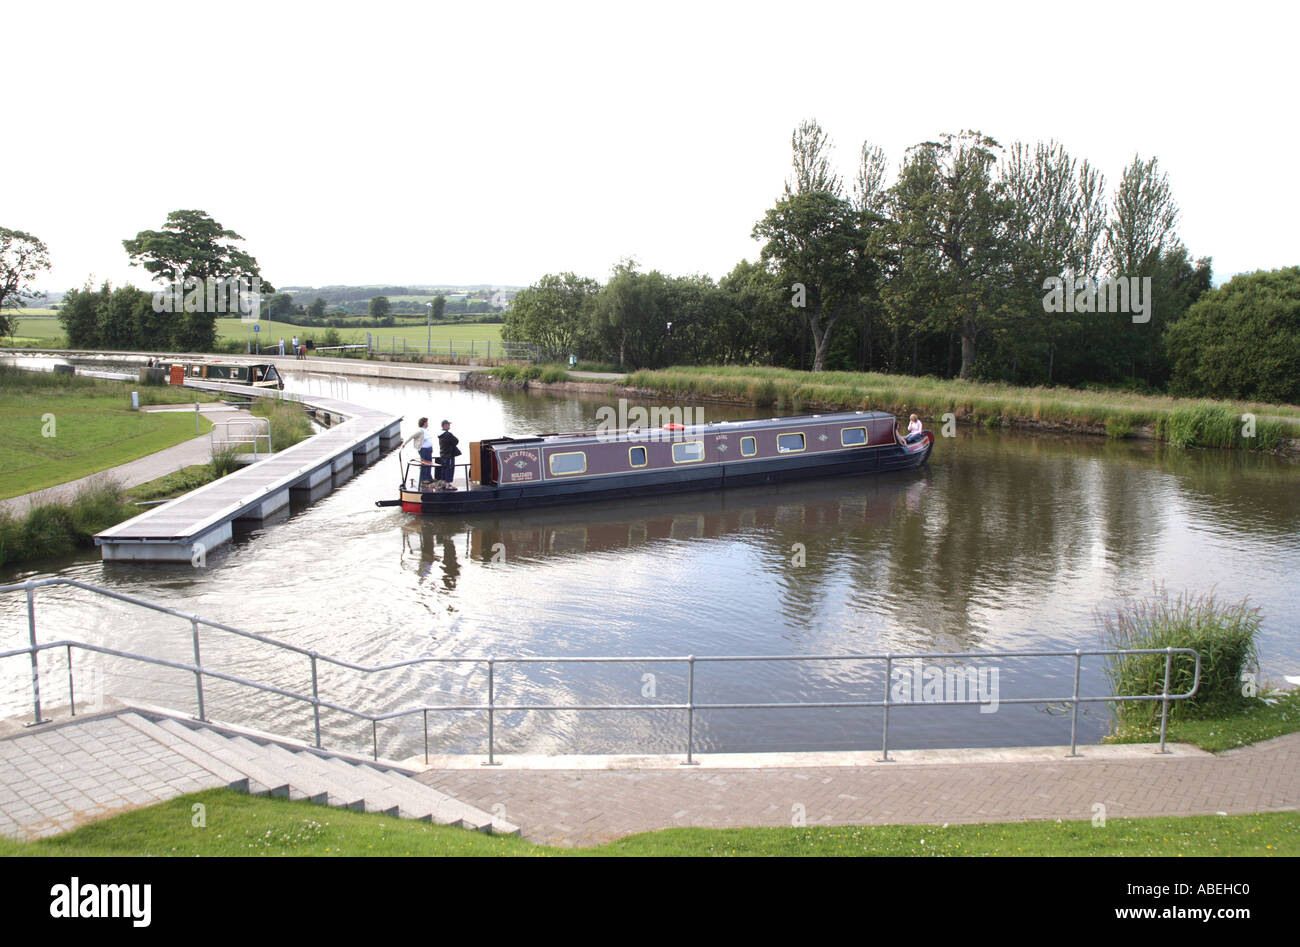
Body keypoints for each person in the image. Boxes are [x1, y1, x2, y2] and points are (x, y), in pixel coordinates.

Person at [406, 418, 435, 489]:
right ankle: (423, 479)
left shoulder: (427, 430)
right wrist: (404, 444)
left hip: (428, 449)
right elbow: (411, 436)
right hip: (424, 449)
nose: (428, 424)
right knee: (425, 463)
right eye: (427, 422)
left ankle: (429, 477)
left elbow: (428, 439)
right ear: (424, 423)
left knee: (429, 463)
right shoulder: (420, 431)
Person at [437, 420, 460, 490]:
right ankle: (448, 484)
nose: (449, 426)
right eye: (448, 425)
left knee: (444, 468)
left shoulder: (440, 435)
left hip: (443, 454)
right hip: (449, 454)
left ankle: (443, 482)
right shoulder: (448, 434)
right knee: (449, 469)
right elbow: (456, 441)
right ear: (444, 426)